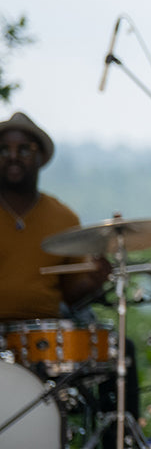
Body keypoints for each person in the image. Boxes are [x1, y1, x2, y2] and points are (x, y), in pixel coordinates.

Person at [0, 112, 108, 324]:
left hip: (45, 335)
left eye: (24, 149)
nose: (13, 156)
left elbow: (71, 295)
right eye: (3, 149)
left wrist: (94, 280)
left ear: (40, 157)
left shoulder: (63, 218)